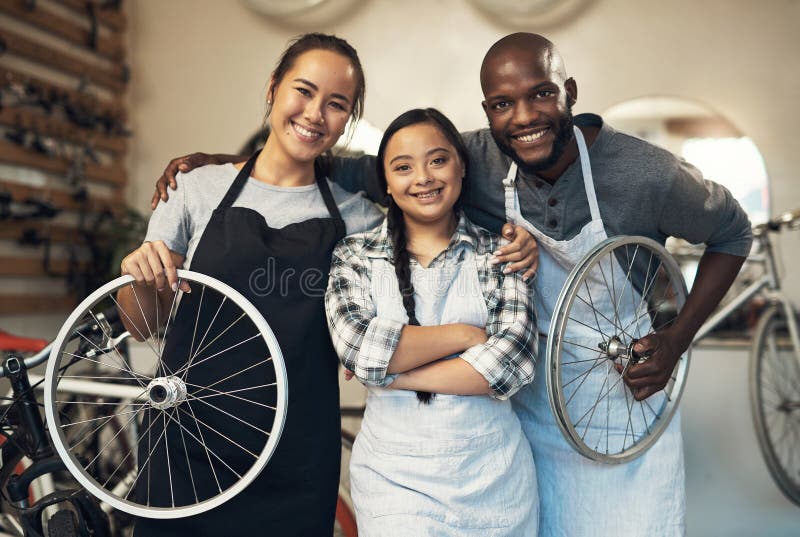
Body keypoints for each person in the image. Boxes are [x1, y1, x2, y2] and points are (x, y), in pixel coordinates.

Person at [150, 33, 752, 535]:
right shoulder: (470, 162)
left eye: (541, 95)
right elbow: (342, 159)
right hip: (527, 414)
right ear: (486, 114)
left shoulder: (645, 172)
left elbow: (732, 233)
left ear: (568, 93)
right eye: (501, 105)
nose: (522, 118)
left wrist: (673, 341)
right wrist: (220, 164)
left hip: (618, 396)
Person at [116, 33, 385, 536]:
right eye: (302, 91)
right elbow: (139, 325)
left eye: (336, 104)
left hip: (296, 455)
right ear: (273, 88)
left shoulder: (361, 218)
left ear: (348, 119)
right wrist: (140, 275)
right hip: (186, 444)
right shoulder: (195, 188)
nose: (314, 113)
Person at [325, 108, 538, 536]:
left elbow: (511, 363)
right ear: (386, 182)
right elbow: (360, 350)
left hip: (494, 480)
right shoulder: (354, 256)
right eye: (403, 167)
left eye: (437, 160)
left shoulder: (502, 253)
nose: (423, 177)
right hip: (393, 479)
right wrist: (466, 336)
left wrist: (396, 376)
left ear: (461, 167)